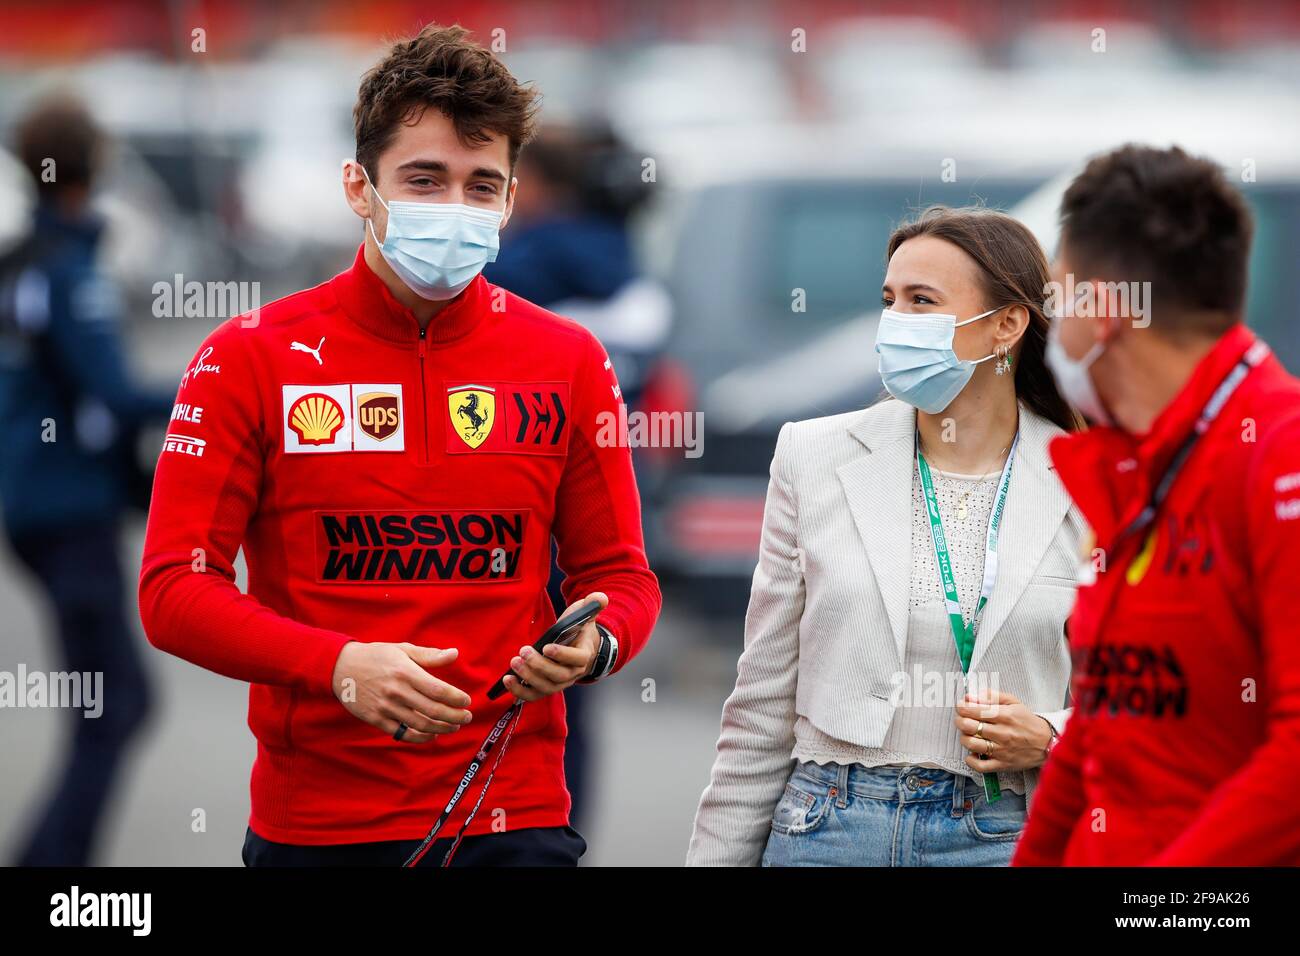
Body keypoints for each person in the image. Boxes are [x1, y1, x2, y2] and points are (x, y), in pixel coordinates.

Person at [138, 24, 660, 867]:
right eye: (424, 180)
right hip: (318, 830)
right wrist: (338, 664)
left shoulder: (567, 359)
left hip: (513, 818)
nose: (454, 207)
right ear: (359, 186)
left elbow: (621, 579)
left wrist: (596, 648)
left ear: (512, 197)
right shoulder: (249, 355)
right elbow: (173, 590)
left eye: (480, 185)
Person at [687, 206, 1086, 867]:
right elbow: (761, 702)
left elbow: (1151, 703)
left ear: (1007, 326)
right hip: (826, 825)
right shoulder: (813, 455)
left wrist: (1052, 734)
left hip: (1003, 833)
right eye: (889, 301)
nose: (895, 322)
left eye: (922, 301)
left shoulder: (1091, 478)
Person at [1015, 144, 1300, 865]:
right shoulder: (1138, 463)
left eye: (1058, 299)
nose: (1051, 332)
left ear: (1104, 314)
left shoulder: (1278, 452)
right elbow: (1102, 725)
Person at [0, 95, 172, 866]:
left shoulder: (21, 264)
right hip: (69, 514)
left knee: (106, 704)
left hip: (35, 506)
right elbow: (115, 394)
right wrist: (221, 386)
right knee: (116, 706)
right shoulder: (69, 273)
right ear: (94, 167)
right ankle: (53, 871)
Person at [484, 122, 668, 828]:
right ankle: (560, 832)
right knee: (572, 697)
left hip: (518, 512)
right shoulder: (631, 262)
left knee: (488, 689)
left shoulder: (521, 263)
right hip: (611, 499)